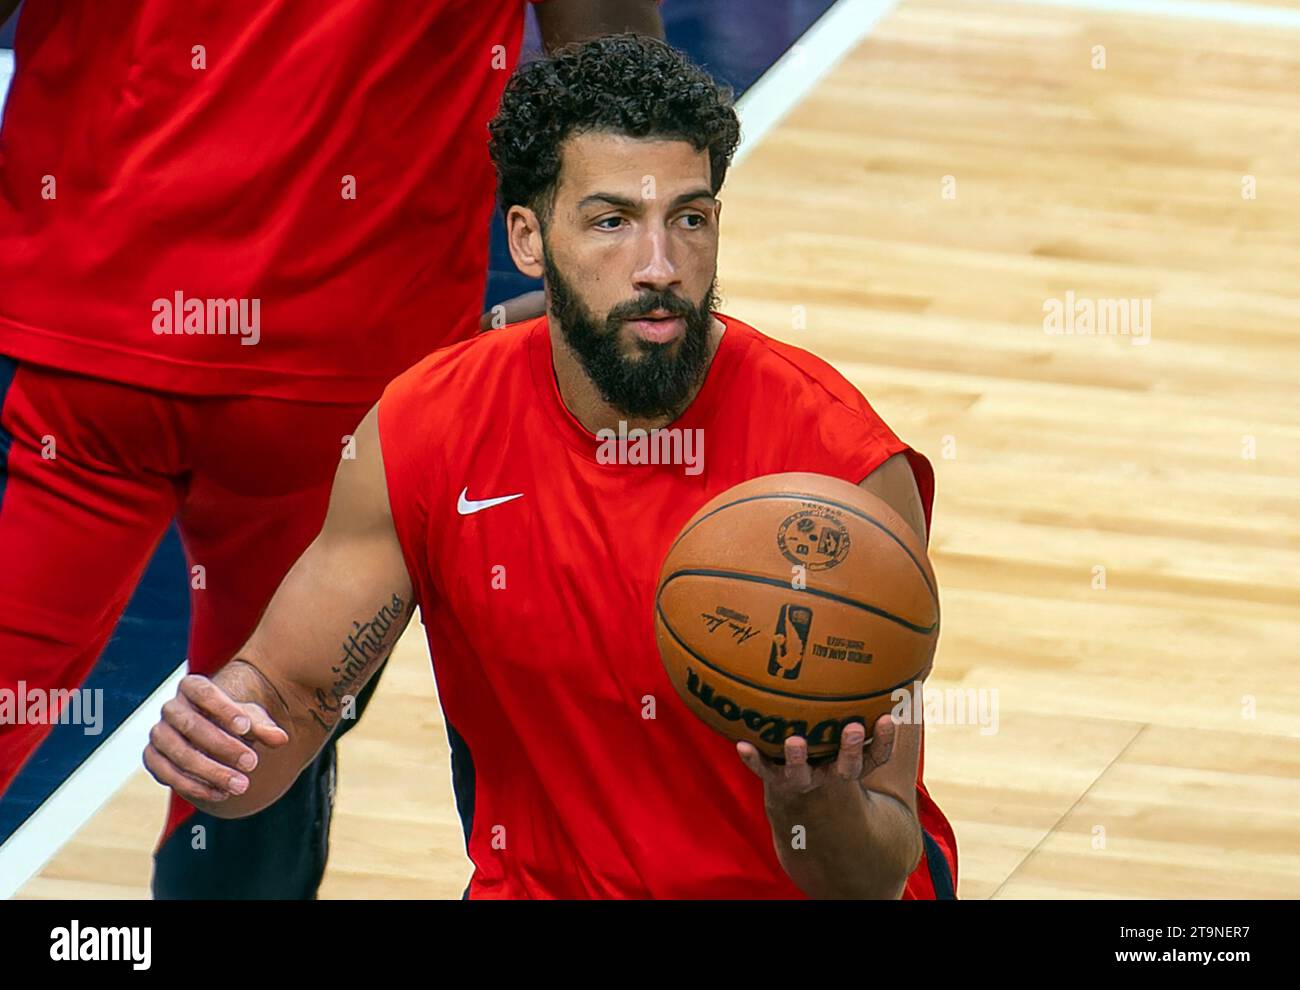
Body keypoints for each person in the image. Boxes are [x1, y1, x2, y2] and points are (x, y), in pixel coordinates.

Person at [141, 34, 958, 899]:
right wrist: (220, 741)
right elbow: (292, 697)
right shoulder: (426, 427)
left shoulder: (838, 467)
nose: (660, 267)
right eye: (612, 222)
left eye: (690, 219)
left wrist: (817, 804)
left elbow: (874, 870)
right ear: (528, 239)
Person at [0, 0, 663, 898]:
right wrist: (625, 296)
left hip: (89, 334)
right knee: (258, 745)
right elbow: (617, 77)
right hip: (346, 367)